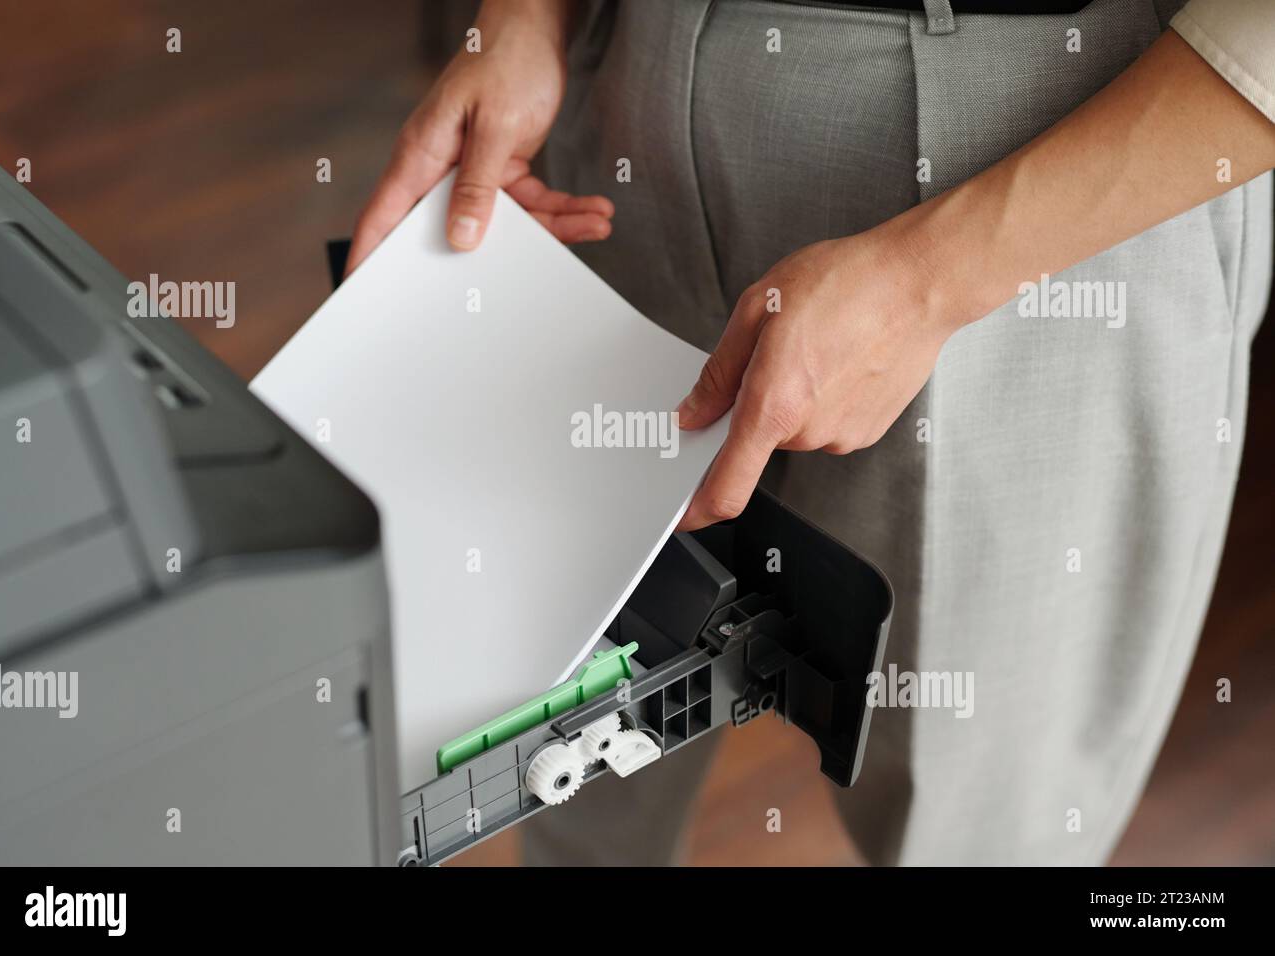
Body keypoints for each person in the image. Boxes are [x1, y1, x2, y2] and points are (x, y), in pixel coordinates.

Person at [348, 0, 1275, 865]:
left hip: (1036, 165)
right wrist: (520, 20)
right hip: (627, 91)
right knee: (565, 723)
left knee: (973, 821)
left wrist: (931, 280)